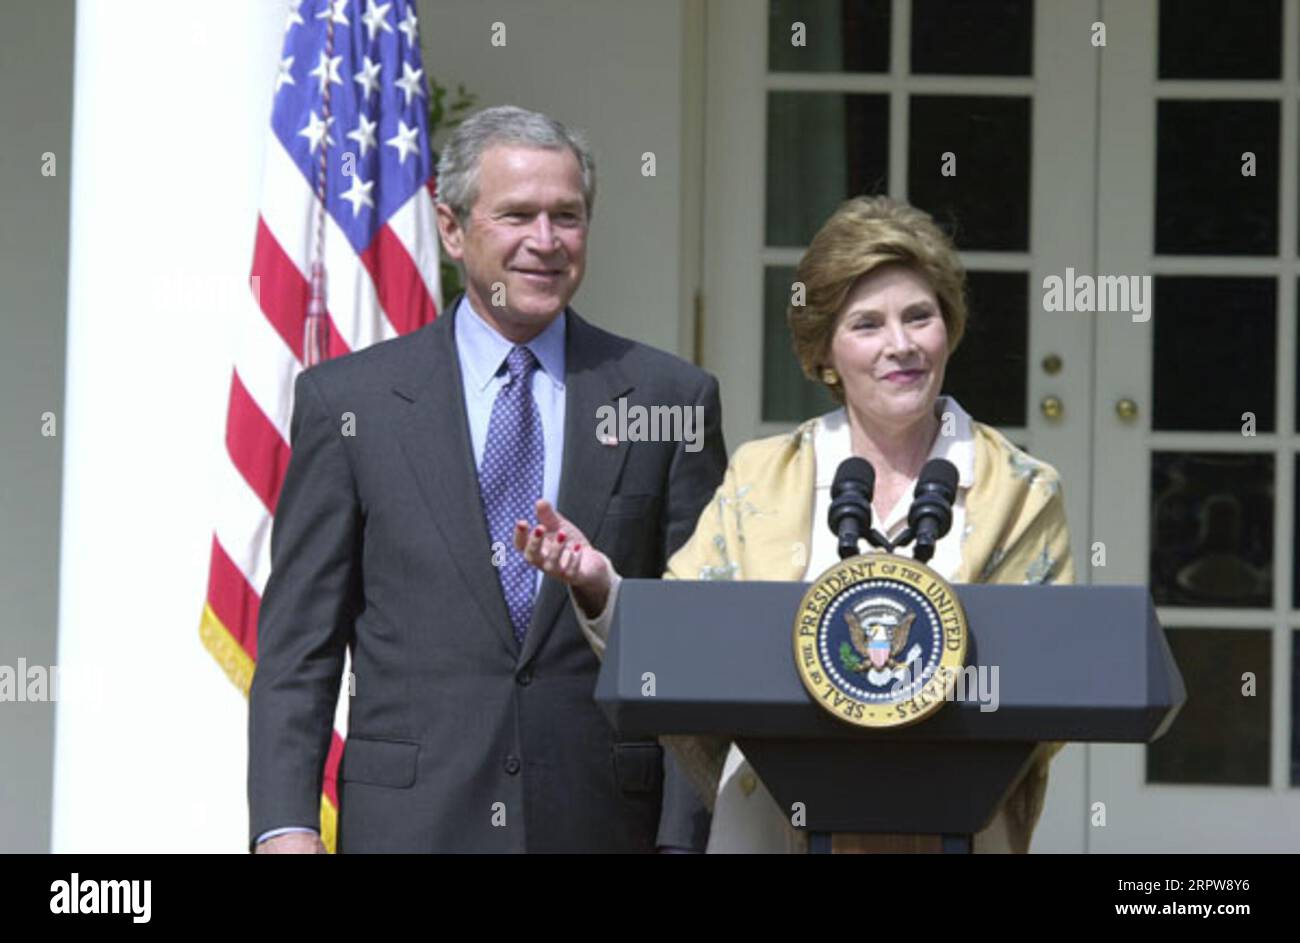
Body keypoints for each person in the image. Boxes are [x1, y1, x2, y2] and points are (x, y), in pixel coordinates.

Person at [519, 195, 1074, 853]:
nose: (900, 345)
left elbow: (1051, 685)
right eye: (867, 324)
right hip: (775, 826)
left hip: (952, 831)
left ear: (948, 329)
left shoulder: (1021, 488)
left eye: (919, 317)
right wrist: (601, 587)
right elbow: (678, 647)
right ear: (826, 354)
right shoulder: (764, 477)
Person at [248, 105, 726, 853]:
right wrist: (286, 829)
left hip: (603, 826)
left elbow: (694, 642)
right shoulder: (350, 404)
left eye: (567, 216)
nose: (545, 241)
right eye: (517, 215)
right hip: (410, 825)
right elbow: (299, 645)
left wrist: (681, 840)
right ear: (450, 226)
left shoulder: (669, 399)